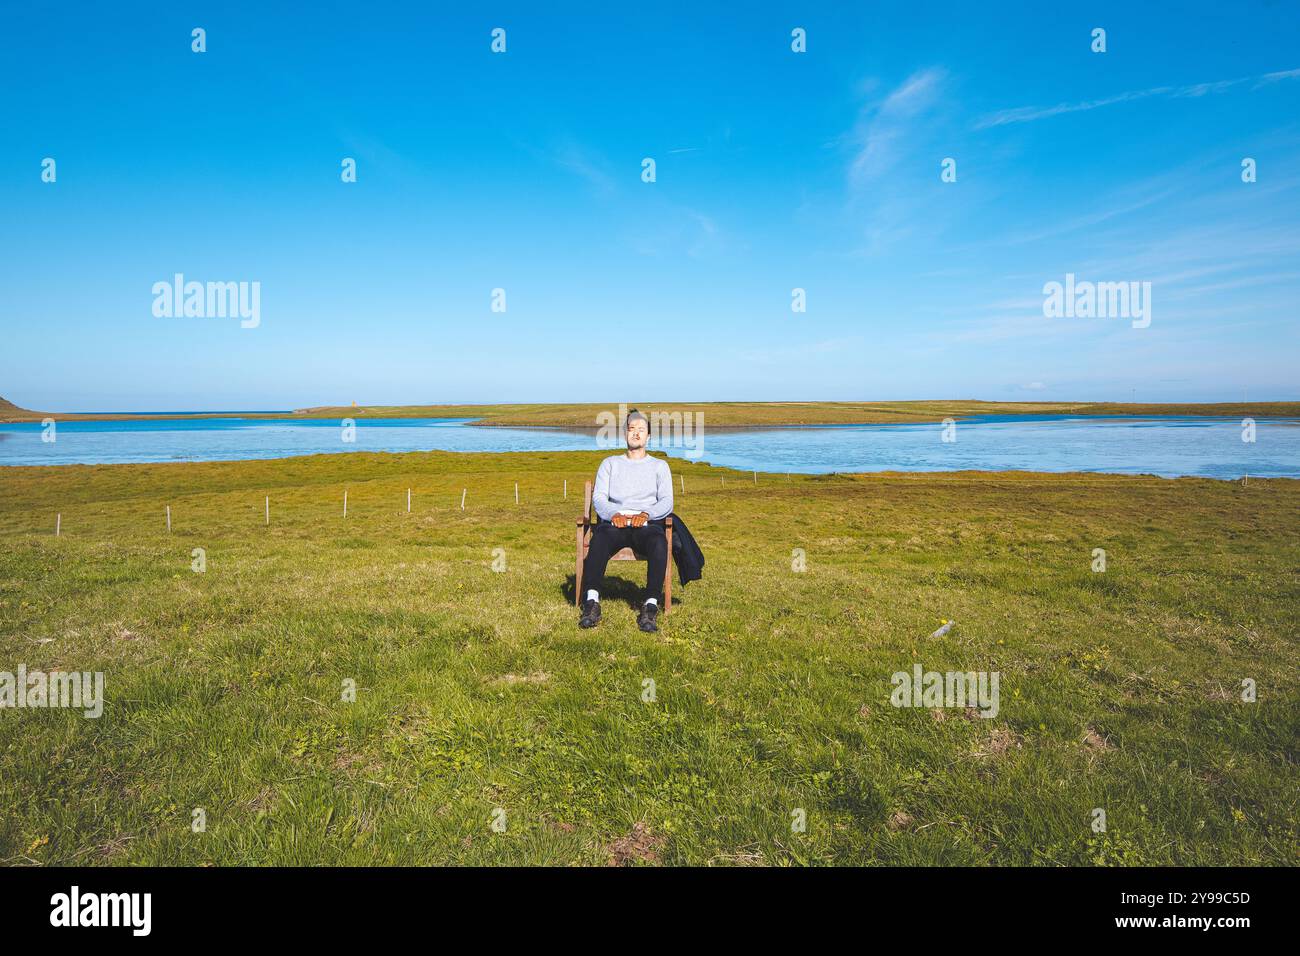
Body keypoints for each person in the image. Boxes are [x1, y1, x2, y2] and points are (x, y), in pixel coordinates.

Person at [579, 408, 672, 632]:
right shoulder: (610, 463)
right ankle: (591, 603)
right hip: (615, 523)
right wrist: (613, 515)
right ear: (625, 434)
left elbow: (667, 501)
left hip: (646, 524)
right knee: (599, 539)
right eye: (632, 429)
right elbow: (599, 498)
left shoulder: (660, 466)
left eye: (641, 430)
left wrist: (647, 515)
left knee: (660, 542)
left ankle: (650, 606)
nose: (636, 433)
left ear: (649, 436)